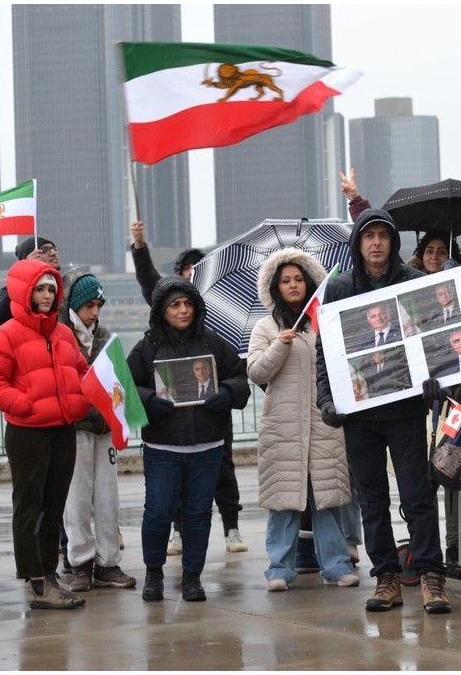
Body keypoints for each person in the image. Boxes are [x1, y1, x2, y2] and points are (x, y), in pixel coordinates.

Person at [316, 208, 450, 614]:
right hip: (359, 416)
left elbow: (435, 343)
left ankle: (431, 576)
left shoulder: (414, 283)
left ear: (393, 243)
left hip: (406, 410)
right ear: (358, 243)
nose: (376, 242)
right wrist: (326, 400)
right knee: (372, 501)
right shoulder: (338, 289)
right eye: (368, 235)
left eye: (383, 236)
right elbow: (326, 353)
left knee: (417, 498)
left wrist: (436, 381)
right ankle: (387, 576)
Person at [127, 277, 250, 603]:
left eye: (187, 304)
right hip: (162, 446)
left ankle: (193, 576)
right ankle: (153, 573)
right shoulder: (147, 346)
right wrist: (148, 398)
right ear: (161, 311)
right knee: (157, 511)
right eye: (174, 306)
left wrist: (226, 392)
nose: (182, 311)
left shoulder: (213, 342)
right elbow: (125, 386)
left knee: (198, 513)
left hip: (208, 445)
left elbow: (241, 380)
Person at [0, 259, 91, 610]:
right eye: (40, 289)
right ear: (25, 292)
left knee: (54, 506)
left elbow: (82, 371)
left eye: (51, 289)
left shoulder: (63, 333)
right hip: (28, 433)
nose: (46, 295)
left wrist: (86, 395)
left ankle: (50, 573)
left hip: (63, 430)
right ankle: (36, 581)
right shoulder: (7, 334)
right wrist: (25, 403)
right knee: (30, 506)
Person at [247, 248, 358, 592]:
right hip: (283, 429)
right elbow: (255, 371)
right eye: (285, 281)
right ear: (275, 287)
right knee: (284, 501)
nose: (293, 285)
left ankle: (337, 565)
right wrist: (280, 345)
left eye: (298, 279)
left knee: (327, 500)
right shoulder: (266, 328)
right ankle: (279, 567)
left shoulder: (324, 322)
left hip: (323, 424)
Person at [58, 270, 136, 592]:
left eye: (98, 305)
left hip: (103, 429)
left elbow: (119, 383)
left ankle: (108, 562)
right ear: (75, 306)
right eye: (89, 305)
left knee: (108, 497)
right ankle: (80, 563)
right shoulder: (62, 337)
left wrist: (123, 422)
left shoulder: (106, 338)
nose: (95, 312)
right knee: (75, 499)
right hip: (74, 428)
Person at [0, 236, 61, 326]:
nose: (53, 253)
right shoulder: (9, 291)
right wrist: (26, 270)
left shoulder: (65, 283)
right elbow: (0, 317)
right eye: (44, 250)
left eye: (54, 249)